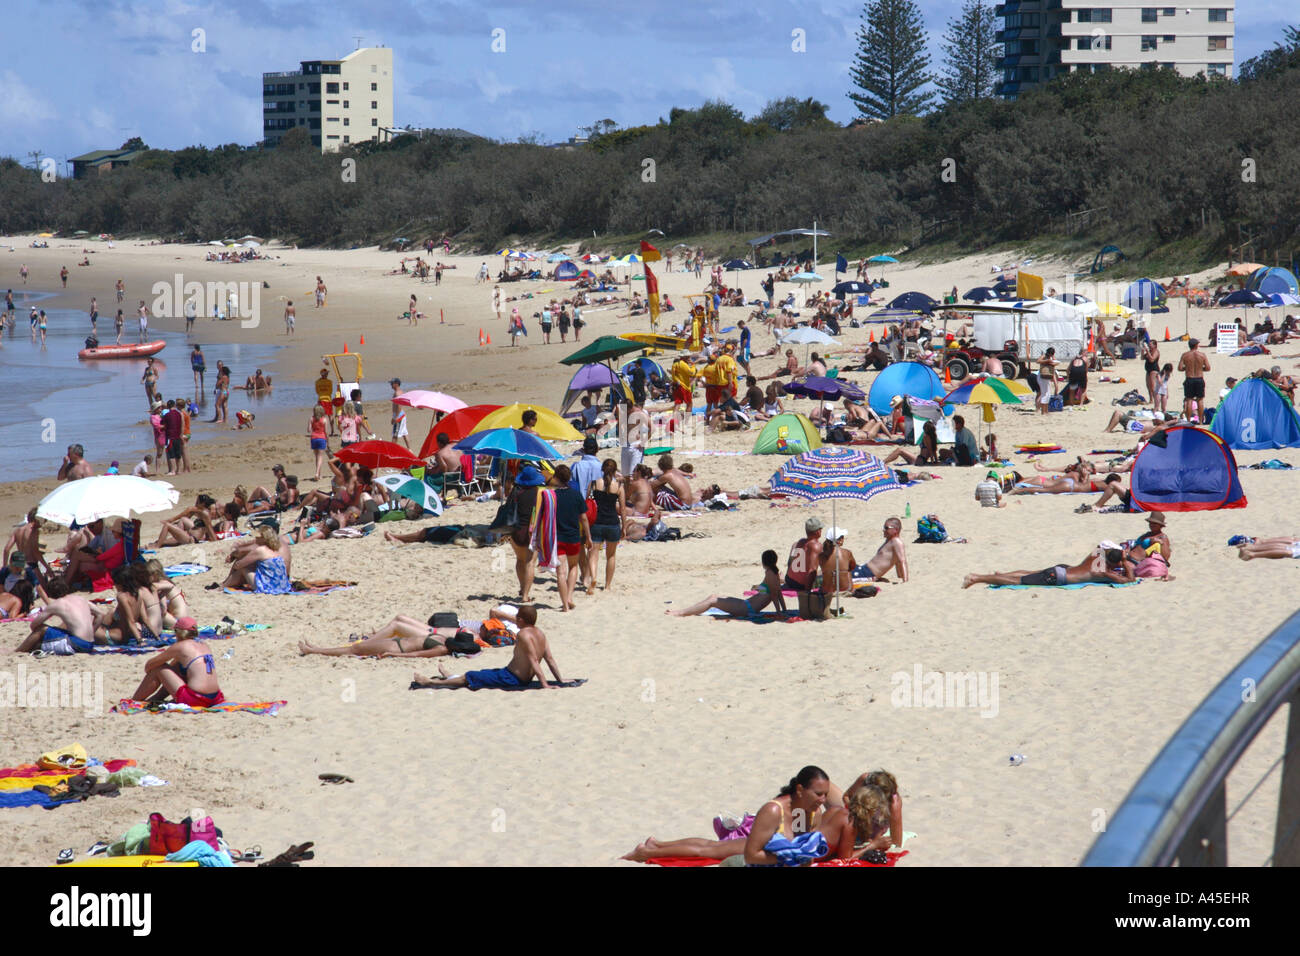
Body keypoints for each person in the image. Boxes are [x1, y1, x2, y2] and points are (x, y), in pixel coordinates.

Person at [410, 605, 565, 690]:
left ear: (521, 620)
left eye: (517, 618)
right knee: (481, 674)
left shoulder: (524, 635)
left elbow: (533, 660)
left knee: (470, 676)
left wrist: (544, 684)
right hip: (510, 675)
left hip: (511, 678)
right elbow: (549, 659)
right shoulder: (541, 634)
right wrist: (560, 680)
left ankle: (431, 683)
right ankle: (450, 676)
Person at [130, 618, 225, 707]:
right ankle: (156, 698)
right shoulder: (204, 645)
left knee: (159, 668)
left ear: (178, 632)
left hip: (196, 699)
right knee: (177, 668)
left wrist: (152, 674)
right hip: (215, 698)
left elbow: (150, 665)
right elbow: (174, 668)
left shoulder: (180, 646)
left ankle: (135, 700)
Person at [666, 549, 787, 618]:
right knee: (714, 598)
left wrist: (779, 613)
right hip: (747, 605)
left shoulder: (770, 574)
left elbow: (773, 595)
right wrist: (784, 610)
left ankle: (680, 613)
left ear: (763, 562)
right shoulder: (774, 574)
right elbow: (776, 592)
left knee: (713, 600)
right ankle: (682, 612)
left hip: (747, 608)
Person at [962, 547, 1136, 588]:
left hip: (1063, 569)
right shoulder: (1103, 572)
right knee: (1019, 580)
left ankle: (1000, 574)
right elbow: (1129, 580)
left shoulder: (1097, 554)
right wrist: (1125, 562)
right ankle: (977, 578)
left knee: (1029, 573)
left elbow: (1104, 548)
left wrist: (1118, 554)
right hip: (1058, 577)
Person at [14, 580, 98, 653]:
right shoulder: (80, 599)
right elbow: (100, 614)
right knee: (61, 628)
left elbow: (34, 625)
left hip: (76, 644)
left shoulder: (56, 604)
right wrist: (92, 633)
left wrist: (41, 635)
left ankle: (18, 651)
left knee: (41, 629)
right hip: (90, 644)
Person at [551, 465, 592, 612]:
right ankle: (569, 597)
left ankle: (565, 606)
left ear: (556, 477)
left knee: (560, 573)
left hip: (558, 537)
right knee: (573, 567)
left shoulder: (552, 496)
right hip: (573, 537)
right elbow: (584, 518)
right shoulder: (576, 495)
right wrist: (588, 536)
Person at [586, 458, 626, 593]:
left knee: (593, 554)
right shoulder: (619, 487)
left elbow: (587, 503)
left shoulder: (593, 484)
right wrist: (624, 526)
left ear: (602, 469)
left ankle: (593, 578)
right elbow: (623, 509)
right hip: (612, 523)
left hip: (596, 522)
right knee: (611, 556)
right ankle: (607, 586)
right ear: (615, 471)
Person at [218, 526, 293, 593]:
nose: (255, 539)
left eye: (257, 537)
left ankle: (223, 586)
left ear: (263, 539)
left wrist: (237, 559)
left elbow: (238, 565)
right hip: (282, 586)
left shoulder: (261, 550)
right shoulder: (275, 548)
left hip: (268, 587)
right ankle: (227, 584)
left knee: (243, 569)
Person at [786, 517, 824, 592]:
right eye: (820, 529)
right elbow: (812, 571)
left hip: (789, 580)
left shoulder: (800, 542)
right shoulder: (816, 546)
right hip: (801, 585)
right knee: (832, 577)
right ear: (817, 532)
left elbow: (790, 563)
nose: (821, 531)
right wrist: (807, 592)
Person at [1178, 337, 1210, 422]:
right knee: (1200, 400)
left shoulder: (1185, 355)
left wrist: (1187, 368)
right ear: (1196, 345)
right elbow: (1208, 368)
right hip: (1199, 378)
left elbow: (1180, 368)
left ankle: (1188, 421)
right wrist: (1200, 368)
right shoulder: (1202, 355)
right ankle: (1200, 421)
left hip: (1189, 378)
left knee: (1189, 400)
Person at [308, 405, 330, 480]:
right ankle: (317, 473)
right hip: (321, 438)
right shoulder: (324, 419)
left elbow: (308, 430)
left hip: (314, 438)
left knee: (317, 457)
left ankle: (319, 474)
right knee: (320, 457)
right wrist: (328, 441)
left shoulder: (311, 418)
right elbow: (326, 432)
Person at [1036, 347, 1058, 414]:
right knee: (1044, 393)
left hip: (1047, 376)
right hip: (1042, 376)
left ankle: (1046, 410)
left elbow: (1055, 362)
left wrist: (1052, 359)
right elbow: (1038, 361)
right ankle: (1043, 411)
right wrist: (1047, 361)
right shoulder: (1044, 356)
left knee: (1047, 394)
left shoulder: (1051, 358)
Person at [1141, 338, 1161, 405]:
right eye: (1149, 344)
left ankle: (1156, 399)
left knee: (1153, 386)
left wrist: (1148, 352)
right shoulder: (1149, 351)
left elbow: (1152, 360)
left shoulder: (1156, 352)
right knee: (1148, 386)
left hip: (1154, 369)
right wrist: (1143, 351)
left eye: (1150, 345)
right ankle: (1151, 399)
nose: (1149, 346)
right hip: (1148, 370)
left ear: (1155, 345)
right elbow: (1142, 358)